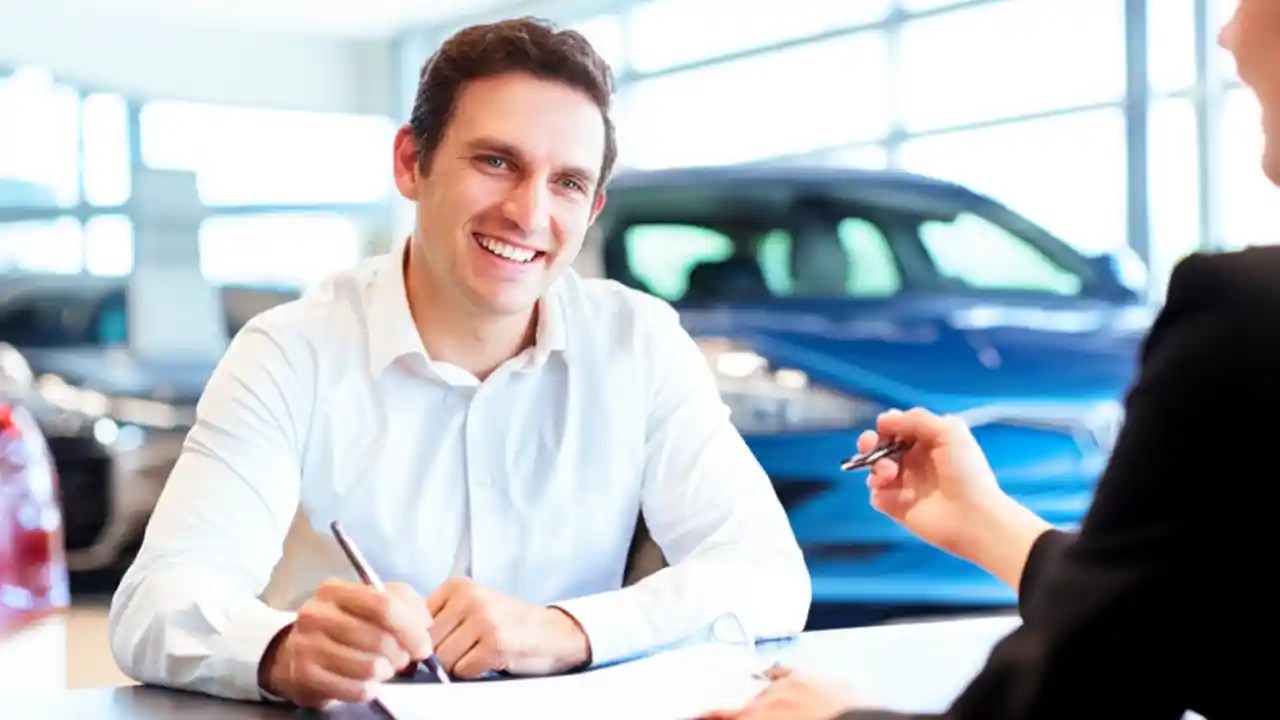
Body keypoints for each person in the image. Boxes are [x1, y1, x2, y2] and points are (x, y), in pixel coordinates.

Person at [107, 17, 810, 708]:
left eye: (566, 182)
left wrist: (564, 630)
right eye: (496, 161)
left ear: (592, 208)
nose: (528, 214)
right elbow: (157, 601)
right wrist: (282, 648)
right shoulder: (292, 352)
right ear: (411, 162)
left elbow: (767, 576)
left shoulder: (639, 344)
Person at [703, 1, 1277, 718]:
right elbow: (1202, 629)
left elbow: (1079, 693)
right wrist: (990, 525)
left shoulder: (1246, 312)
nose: (1223, 32)